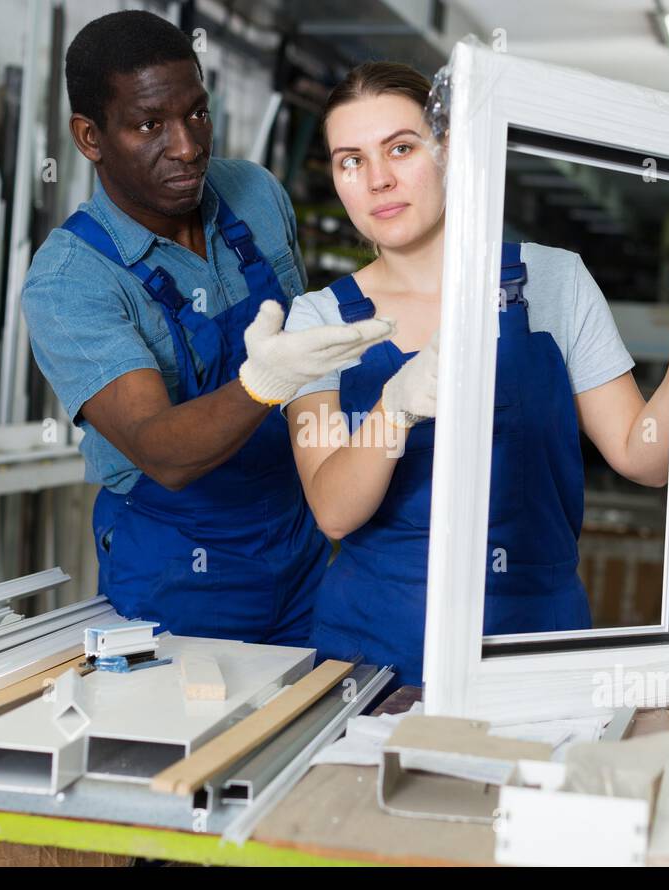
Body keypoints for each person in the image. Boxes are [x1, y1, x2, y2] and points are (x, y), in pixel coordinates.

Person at [281, 62, 669, 686]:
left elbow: (644, 458)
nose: (377, 180)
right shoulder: (319, 320)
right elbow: (332, 511)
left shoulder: (555, 281)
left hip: (538, 649)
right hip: (376, 656)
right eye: (350, 159)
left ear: (452, 150)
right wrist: (392, 412)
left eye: (400, 148)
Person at [21, 12, 391, 644]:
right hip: (180, 568)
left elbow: (312, 388)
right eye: (149, 125)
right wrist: (262, 383)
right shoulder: (70, 282)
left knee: (316, 725)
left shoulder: (254, 192)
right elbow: (161, 452)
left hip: (301, 544)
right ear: (89, 137)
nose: (188, 145)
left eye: (197, 113)